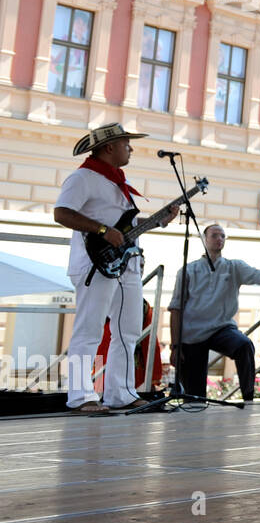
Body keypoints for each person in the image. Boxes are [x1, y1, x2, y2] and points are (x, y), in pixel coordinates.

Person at [52, 123, 178, 414]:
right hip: (95, 264)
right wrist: (101, 230)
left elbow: (125, 227)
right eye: (126, 143)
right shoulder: (83, 177)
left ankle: (120, 393)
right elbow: (61, 213)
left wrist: (158, 220)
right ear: (109, 147)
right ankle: (81, 396)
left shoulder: (117, 183)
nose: (131, 148)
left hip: (125, 266)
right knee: (89, 330)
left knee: (128, 330)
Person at [169, 224, 260, 403]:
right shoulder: (188, 270)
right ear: (204, 240)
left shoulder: (234, 266)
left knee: (244, 345)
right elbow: (175, 309)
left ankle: (248, 398)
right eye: (214, 235)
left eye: (222, 236)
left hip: (221, 328)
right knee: (194, 398)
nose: (219, 239)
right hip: (192, 335)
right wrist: (175, 346)